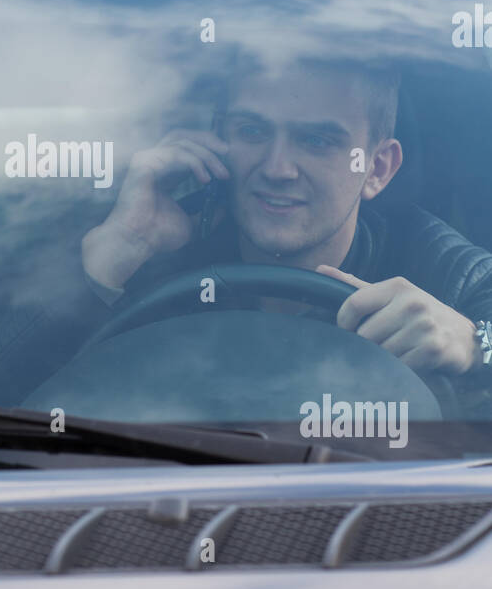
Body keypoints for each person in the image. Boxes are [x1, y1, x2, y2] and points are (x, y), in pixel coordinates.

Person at [80, 56, 492, 383]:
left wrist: (477, 347)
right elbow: (18, 410)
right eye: (252, 131)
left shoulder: (451, 275)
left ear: (378, 168)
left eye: (316, 141)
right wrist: (116, 254)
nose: (278, 168)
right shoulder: (160, 255)